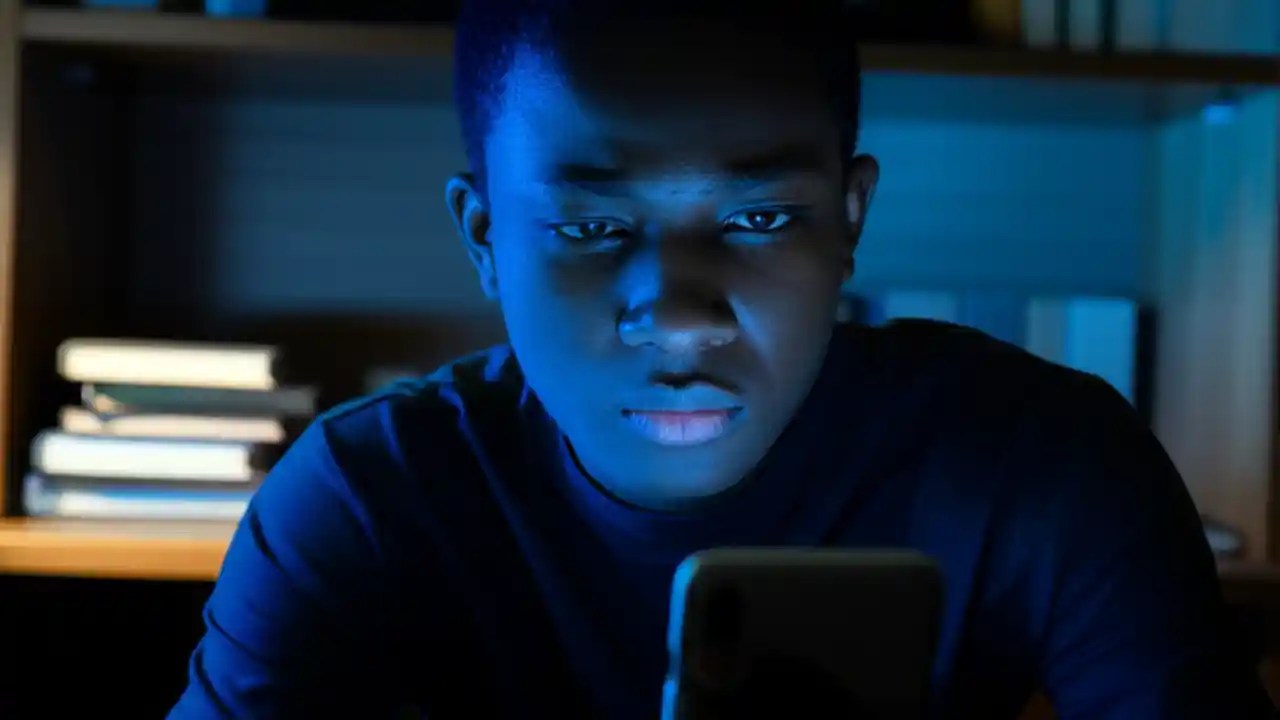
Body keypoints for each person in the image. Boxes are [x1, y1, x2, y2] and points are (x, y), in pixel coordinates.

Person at [167, 0, 1276, 717]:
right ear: (483, 240)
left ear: (847, 221)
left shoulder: (1042, 465)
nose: (682, 317)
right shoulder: (364, 499)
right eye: (592, 228)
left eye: (754, 222)